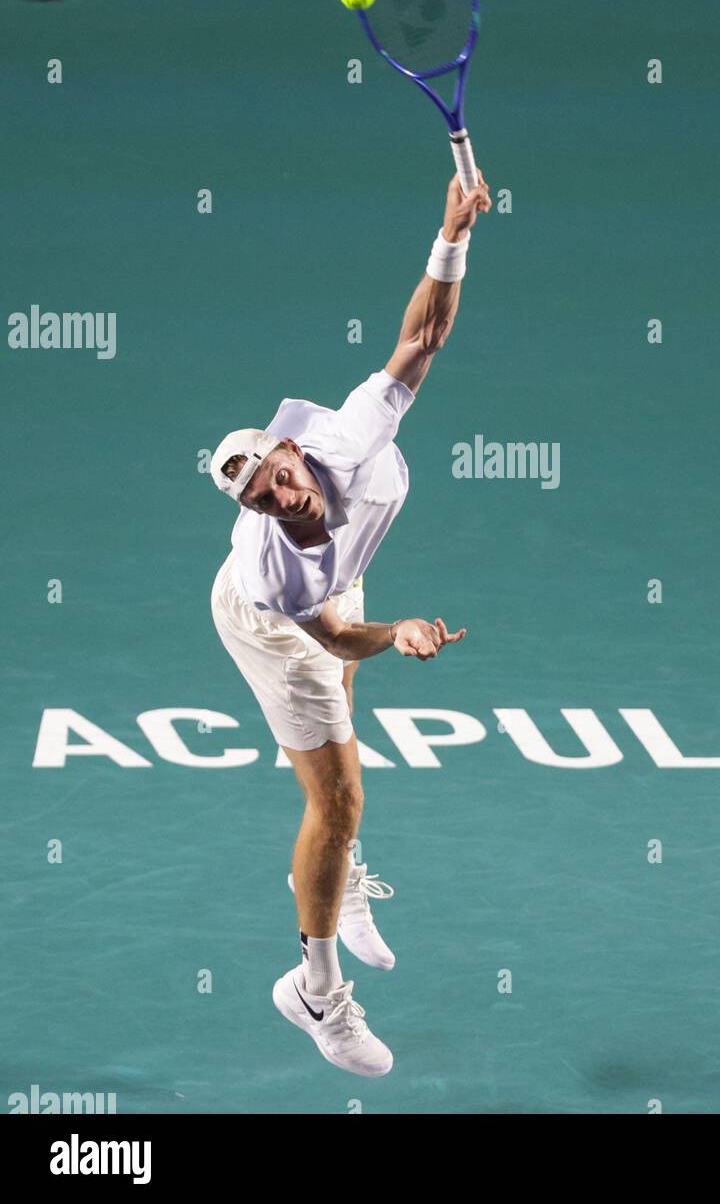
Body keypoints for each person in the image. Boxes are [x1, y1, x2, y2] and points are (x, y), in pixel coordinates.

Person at [208, 172, 491, 1075]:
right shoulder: (272, 563)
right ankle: (316, 995)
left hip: (346, 583)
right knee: (336, 795)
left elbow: (423, 335)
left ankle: (336, 877)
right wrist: (396, 628)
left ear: (294, 450)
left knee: (344, 761)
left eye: (278, 476)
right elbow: (327, 638)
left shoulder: (346, 438)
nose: (282, 497)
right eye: (263, 497)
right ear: (254, 508)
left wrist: (452, 235)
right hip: (275, 626)